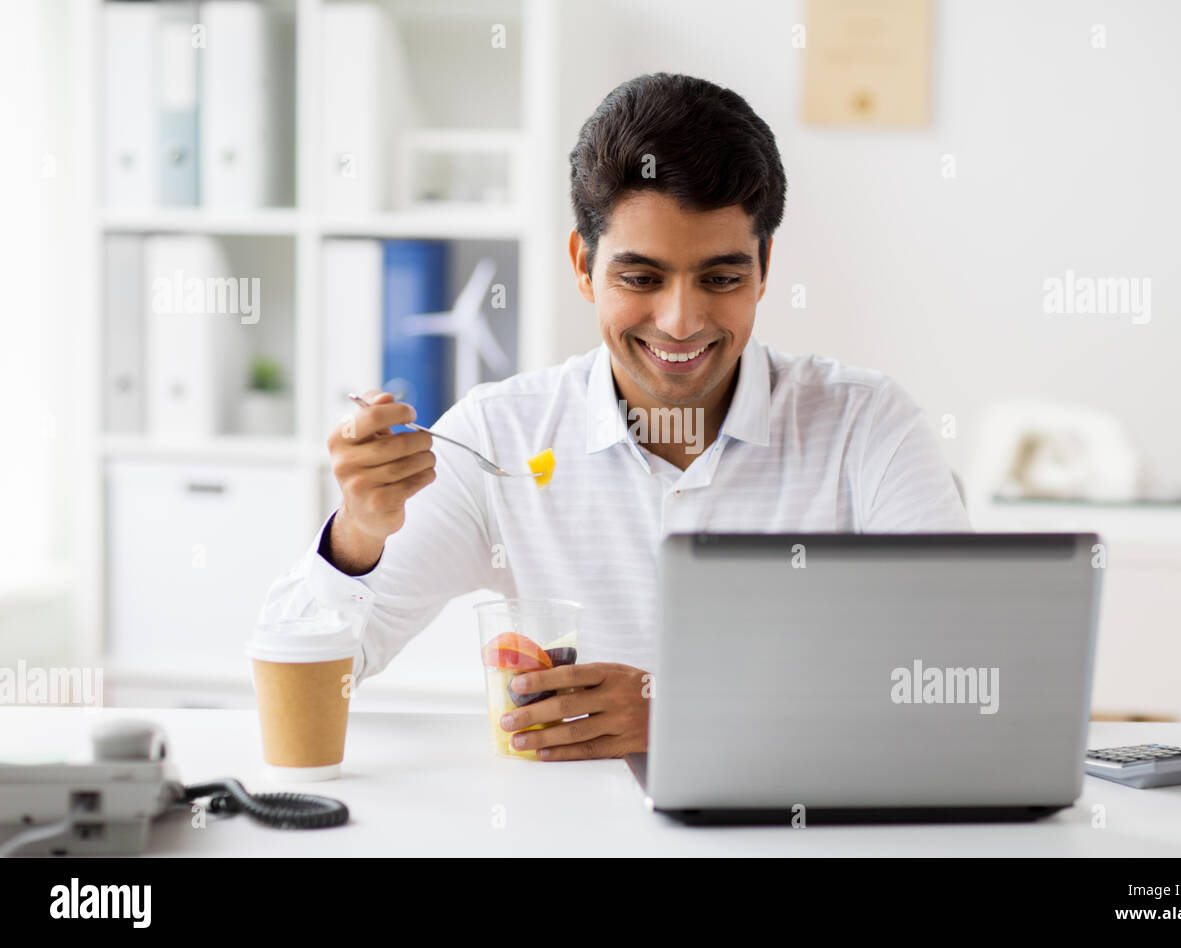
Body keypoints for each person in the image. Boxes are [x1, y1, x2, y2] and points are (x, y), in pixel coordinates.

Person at [260, 73, 970, 761]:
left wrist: (688, 710)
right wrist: (358, 532)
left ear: (764, 267)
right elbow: (305, 654)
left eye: (721, 278)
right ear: (583, 264)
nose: (681, 321)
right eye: (641, 278)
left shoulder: (867, 428)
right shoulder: (499, 438)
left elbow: (953, 685)